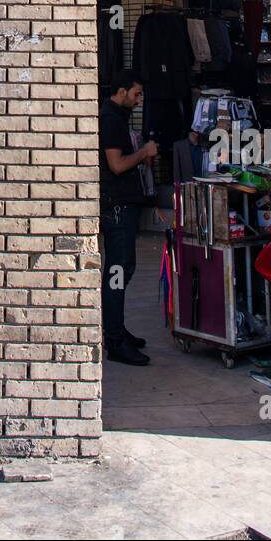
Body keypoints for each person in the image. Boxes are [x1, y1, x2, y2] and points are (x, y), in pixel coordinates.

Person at [99, 70, 159, 367]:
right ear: (121, 92)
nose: (139, 100)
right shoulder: (110, 120)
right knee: (116, 274)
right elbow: (117, 164)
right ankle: (114, 340)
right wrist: (143, 153)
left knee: (123, 271)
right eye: (135, 94)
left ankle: (116, 328)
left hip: (124, 207)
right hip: (117, 208)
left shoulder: (118, 118)